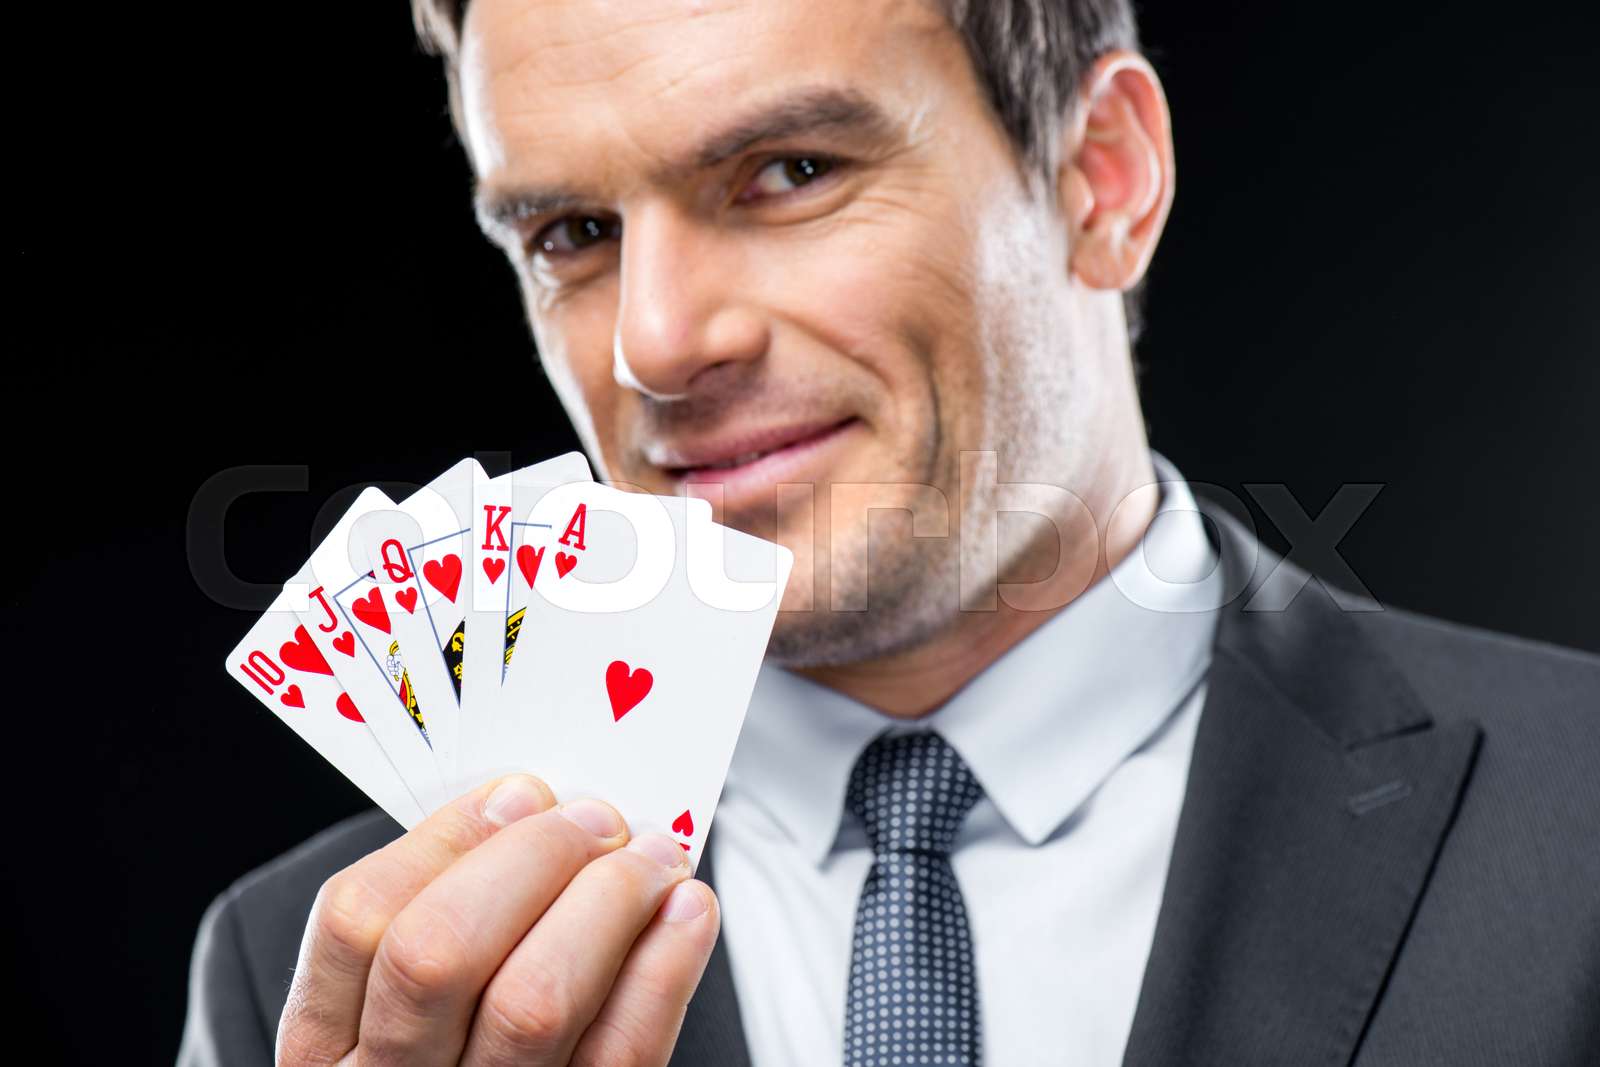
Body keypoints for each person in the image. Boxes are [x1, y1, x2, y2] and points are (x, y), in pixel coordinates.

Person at [178, 1, 1600, 1064]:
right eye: (569, 234)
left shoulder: (1574, 828)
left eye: (790, 171)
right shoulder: (320, 977)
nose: (659, 348)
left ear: (1103, 177)